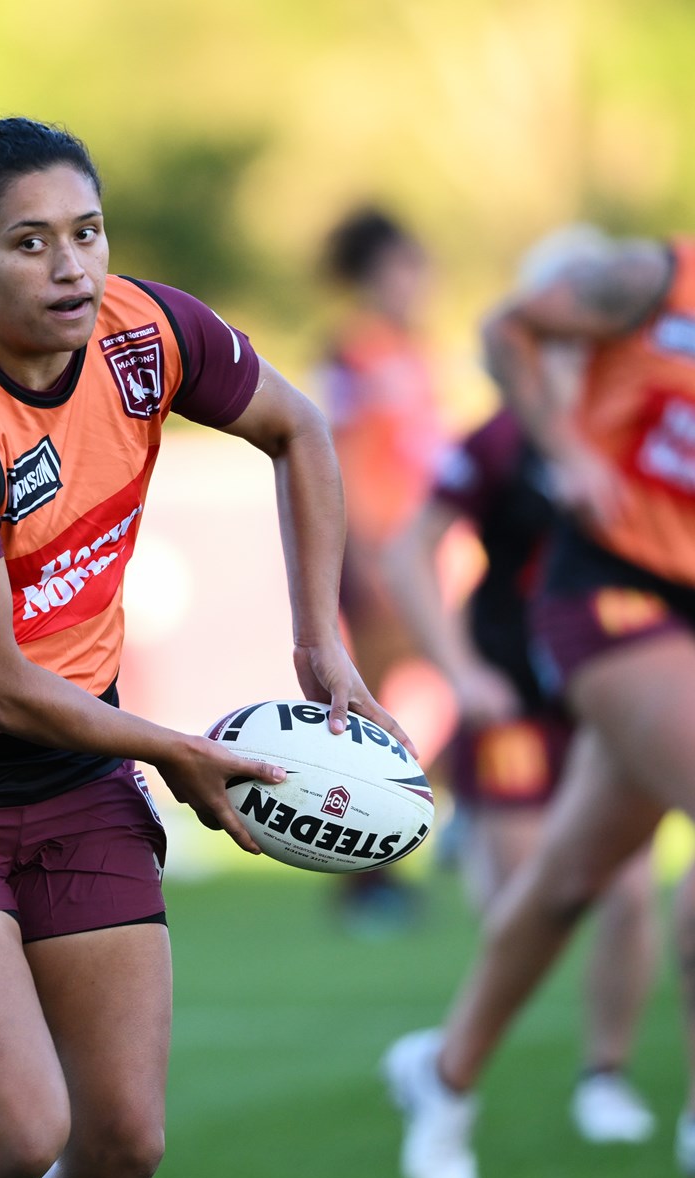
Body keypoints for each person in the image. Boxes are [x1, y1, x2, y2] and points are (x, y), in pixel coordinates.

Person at [0, 115, 413, 1178]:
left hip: (76, 774)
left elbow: (301, 429)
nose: (72, 265)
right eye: (29, 242)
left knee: (122, 1143)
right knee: (13, 1129)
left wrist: (320, 641)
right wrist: (178, 751)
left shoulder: (145, 333)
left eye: (86, 232)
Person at [383, 229, 695, 1178]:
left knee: (575, 877)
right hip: (610, 592)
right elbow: (507, 325)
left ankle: (444, 1076)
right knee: (550, 867)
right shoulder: (660, 275)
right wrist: (566, 448)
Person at [383, 399, 658, 1150]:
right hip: (516, 696)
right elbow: (408, 552)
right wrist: (461, 672)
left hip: (614, 684)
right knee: (530, 899)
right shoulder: (502, 439)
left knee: (629, 893)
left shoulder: (645, 421)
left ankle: (605, 1076)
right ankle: (450, 1073)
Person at [315, 206, 449, 930]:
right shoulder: (352, 354)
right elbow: (333, 454)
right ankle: (367, 872)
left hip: (415, 558)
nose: (418, 283)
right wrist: (358, 553)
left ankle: (434, 832)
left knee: (469, 675)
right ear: (373, 276)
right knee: (368, 715)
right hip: (372, 558)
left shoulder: (417, 352)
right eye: (406, 268)